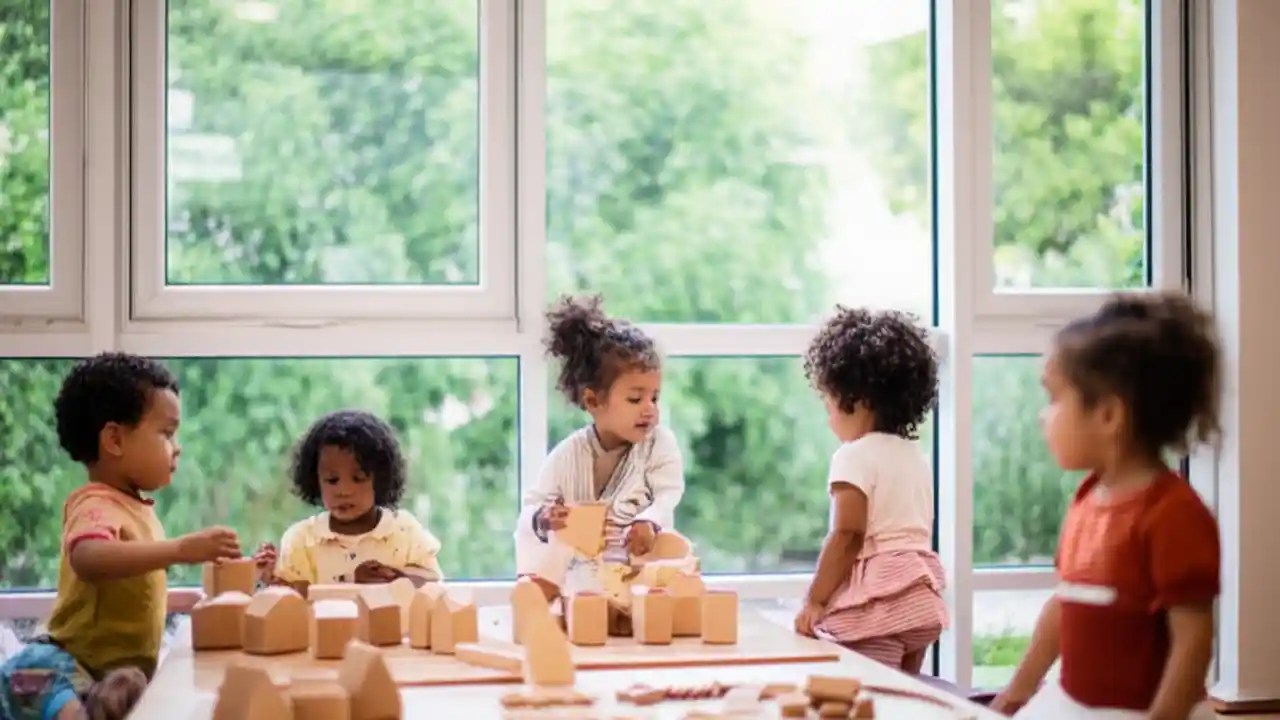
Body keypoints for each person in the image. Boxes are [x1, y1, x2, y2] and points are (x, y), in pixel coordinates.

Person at [992, 292, 1221, 719]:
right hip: (1073, 704)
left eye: (1055, 399)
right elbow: (1064, 606)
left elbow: (1193, 640)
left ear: (1110, 416)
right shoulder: (1086, 501)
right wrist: (1015, 695)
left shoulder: (1174, 514)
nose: (1045, 417)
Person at [0, 353, 241, 720]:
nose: (178, 447)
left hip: (103, 680)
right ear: (114, 439)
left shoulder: (137, 509)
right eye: (166, 432)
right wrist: (180, 550)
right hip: (47, 672)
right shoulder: (96, 503)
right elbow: (89, 557)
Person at [793, 307, 946, 674]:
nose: (828, 417)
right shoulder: (914, 456)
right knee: (906, 699)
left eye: (828, 403)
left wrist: (815, 600)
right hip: (920, 598)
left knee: (864, 693)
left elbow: (848, 534)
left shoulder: (853, 456)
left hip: (880, 602)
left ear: (854, 399)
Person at [515, 295, 685, 601]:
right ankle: (542, 600)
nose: (649, 410)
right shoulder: (568, 455)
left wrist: (650, 521)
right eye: (636, 399)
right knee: (560, 553)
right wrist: (544, 517)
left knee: (672, 555)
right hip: (583, 582)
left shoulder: (659, 445)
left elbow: (668, 494)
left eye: (655, 398)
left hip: (640, 575)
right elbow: (533, 506)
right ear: (593, 401)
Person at [257, 410, 444, 595]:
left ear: (380, 480)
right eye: (332, 480)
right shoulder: (301, 539)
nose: (343, 491)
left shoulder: (405, 531)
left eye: (358, 478)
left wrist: (394, 576)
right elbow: (293, 605)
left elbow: (434, 583)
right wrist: (269, 580)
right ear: (314, 480)